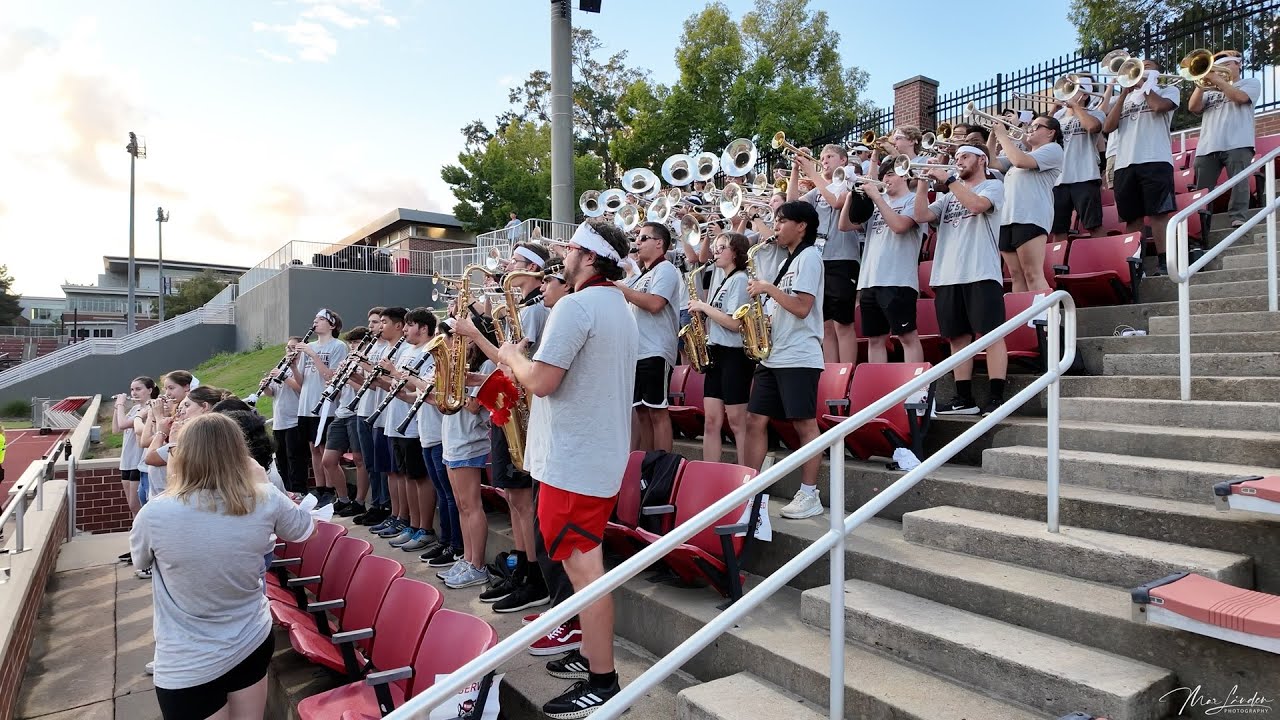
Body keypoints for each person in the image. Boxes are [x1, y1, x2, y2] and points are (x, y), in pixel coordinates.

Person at [495, 219, 637, 716]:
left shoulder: (576, 306)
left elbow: (542, 381)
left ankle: (603, 679)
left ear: (592, 257)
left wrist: (513, 356)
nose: (565, 252)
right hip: (591, 456)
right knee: (582, 565)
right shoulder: (616, 304)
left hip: (574, 461)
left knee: (584, 570)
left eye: (573, 246)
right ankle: (588, 655)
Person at [131, 413, 315, 720]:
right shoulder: (264, 497)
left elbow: (141, 560)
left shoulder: (156, 512)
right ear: (238, 453)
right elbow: (305, 528)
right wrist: (262, 481)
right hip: (250, 637)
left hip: (188, 655)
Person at [455, 241, 554, 613]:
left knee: (521, 497)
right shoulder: (521, 309)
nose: (507, 265)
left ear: (530, 268)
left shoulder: (532, 312)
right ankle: (523, 564)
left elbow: (513, 359)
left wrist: (474, 333)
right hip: (508, 405)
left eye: (515, 260)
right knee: (513, 497)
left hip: (521, 407)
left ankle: (534, 574)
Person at [741, 201, 827, 520]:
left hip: (799, 355)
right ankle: (748, 489)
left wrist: (767, 289)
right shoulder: (788, 260)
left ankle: (809, 494)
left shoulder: (810, 257)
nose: (775, 227)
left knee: (804, 424)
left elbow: (803, 307)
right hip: (773, 354)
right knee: (755, 420)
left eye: (781, 222)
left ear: (801, 225)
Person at [915, 145, 1010, 416]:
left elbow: (977, 206)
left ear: (981, 159)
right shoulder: (946, 198)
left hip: (980, 270)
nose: (958, 162)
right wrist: (923, 183)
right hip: (947, 274)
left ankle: (996, 397)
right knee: (957, 338)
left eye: (964, 157)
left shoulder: (992, 187)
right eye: (956, 159)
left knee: (991, 335)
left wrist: (949, 180)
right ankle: (963, 397)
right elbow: (920, 216)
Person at [841, 160, 926, 363]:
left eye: (890, 175)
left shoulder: (913, 201)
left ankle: (916, 389)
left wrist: (878, 198)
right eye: (884, 176)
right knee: (875, 339)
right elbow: (844, 225)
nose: (885, 180)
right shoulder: (875, 202)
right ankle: (880, 389)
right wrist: (850, 195)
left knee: (907, 337)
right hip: (870, 280)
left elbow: (899, 226)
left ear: (904, 175)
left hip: (898, 279)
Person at [1102, 58, 1181, 276]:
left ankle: (1164, 262)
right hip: (1125, 164)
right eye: (1139, 67)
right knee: (1132, 218)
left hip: (1155, 159)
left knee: (1158, 214)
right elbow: (1108, 127)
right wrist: (1125, 94)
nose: (1141, 70)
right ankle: (1136, 265)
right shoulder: (1124, 98)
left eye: (1148, 68)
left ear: (1157, 73)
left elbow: (1158, 107)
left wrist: (1144, 85)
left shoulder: (1168, 90)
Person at [789, 144, 860, 363]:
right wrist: (795, 170)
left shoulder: (851, 180)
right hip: (820, 260)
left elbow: (837, 202)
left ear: (843, 161)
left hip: (843, 259)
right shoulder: (819, 188)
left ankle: (847, 373)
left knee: (842, 323)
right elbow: (791, 206)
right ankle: (832, 375)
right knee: (826, 325)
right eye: (822, 157)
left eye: (829, 156)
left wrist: (812, 172)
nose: (824, 160)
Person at [686, 232, 753, 465]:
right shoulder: (723, 280)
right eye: (716, 246)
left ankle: (747, 476)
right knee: (711, 421)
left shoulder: (741, 279)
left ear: (735, 252)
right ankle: (710, 473)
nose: (716, 251)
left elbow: (735, 323)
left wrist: (704, 307)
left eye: (722, 247)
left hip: (734, 355)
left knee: (737, 421)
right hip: (716, 352)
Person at [616, 221, 680, 453]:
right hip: (637, 351)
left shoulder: (665, 270)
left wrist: (622, 289)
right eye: (638, 238)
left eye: (643, 238)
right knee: (642, 413)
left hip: (656, 349)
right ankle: (647, 465)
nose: (637, 242)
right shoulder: (643, 275)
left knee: (657, 412)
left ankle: (662, 466)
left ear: (659, 243)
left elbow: (654, 303)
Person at [989, 115, 1065, 292]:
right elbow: (991, 162)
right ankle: (1024, 319)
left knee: (1032, 273)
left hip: (1031, 216)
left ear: (1051, 132)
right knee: (1016, 276)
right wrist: (993, 135)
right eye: (1031, 125)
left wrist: (1003, 136)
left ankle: (1046, 318)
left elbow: (1020, 161)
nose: (1031, 128)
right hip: (1007, 218)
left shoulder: (1053, 149)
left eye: (1037, 126)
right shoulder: (1025, 153)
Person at [1189, 50, 1262, 228]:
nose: (1221, 68)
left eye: (1227, 64)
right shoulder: (1209, 90)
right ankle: (1201, 223)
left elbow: (1240, 98)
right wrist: (1201, 82)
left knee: (1239, 182)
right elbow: (1193, 106)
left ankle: (1238, 216)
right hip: (1208, 144)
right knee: (1202, 188)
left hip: (1238, 141)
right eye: (1218, 65)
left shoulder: (1250, 82)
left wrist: (1219, 81)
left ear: (1238, 65)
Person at [292, 309, 347, 494]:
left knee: (324, 448)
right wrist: (293, 366)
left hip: (325, 407)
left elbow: (331, 376)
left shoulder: (338, 346)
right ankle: (320, 487)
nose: (315, 322)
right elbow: (300, 381)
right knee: (313, 449)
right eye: (315, 318)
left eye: (321, 319)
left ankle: (332, 489)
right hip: (306, 406)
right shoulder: (309, 346)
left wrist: (313, 355)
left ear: (332, 325)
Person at [1051, 85, 1107, 243]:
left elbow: (1092, 127)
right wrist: (1053, 109)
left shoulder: (1095, 113)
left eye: (1075, 90)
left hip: (1085, 176)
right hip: (1059, 180)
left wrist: (1075, 106)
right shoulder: (1057, 118)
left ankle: (1103, 257)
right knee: (1058, 229)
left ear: (1084, 95)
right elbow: (1039, 137)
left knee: (1093, 225)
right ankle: (1059, 265)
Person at [351, 308, 391, 525]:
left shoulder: (389, 348)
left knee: (380, 464)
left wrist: (365, 365)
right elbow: (368, 383)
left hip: (379, 412)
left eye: (377, 322)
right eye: (371, 323)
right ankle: (376, 503)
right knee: (370, 463)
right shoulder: (372, 346)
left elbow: (383, 381)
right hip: (364, 409)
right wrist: (354, 374)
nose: (373, 326)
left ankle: (384, 504)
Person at [114, 376, 159, 563]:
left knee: (136, 505)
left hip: (137, 462)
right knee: (132, 507)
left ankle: (145, 548)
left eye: (138, 389)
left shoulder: (149, 408)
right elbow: (117, 428)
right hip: (126, 462)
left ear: (149, 390)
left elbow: (125, 423)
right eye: (132, 389)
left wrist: (120, 405)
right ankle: (137, 548)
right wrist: (118, 406)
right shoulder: (134, 408)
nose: (134, 393)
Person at [262, 339, 308, 494]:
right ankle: (287, 490)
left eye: (293, 347)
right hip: (279, 420)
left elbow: (301, 388)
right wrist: (266, 386)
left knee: (295, 457)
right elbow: (271, 393)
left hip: (295, 419)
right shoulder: (281, 366)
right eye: (288, 348)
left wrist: (284, 376)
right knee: (281, 459)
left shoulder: (302, 366)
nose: (290, 351)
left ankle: (298, 489)